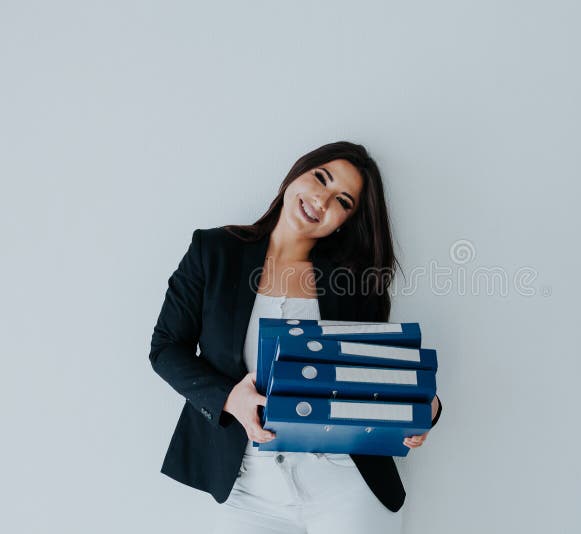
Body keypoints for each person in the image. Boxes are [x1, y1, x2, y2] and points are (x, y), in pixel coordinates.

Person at [149, 141, 443, 534]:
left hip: (345, 486)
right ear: (297, 172)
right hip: (248, 490)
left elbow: (372, 371)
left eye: (342, 201)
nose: (322, 200)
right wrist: (227, 398)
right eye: (321, 178)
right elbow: (166, 347)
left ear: (344, 221)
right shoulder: (214, 251)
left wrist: (424, 406)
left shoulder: (352, 279)